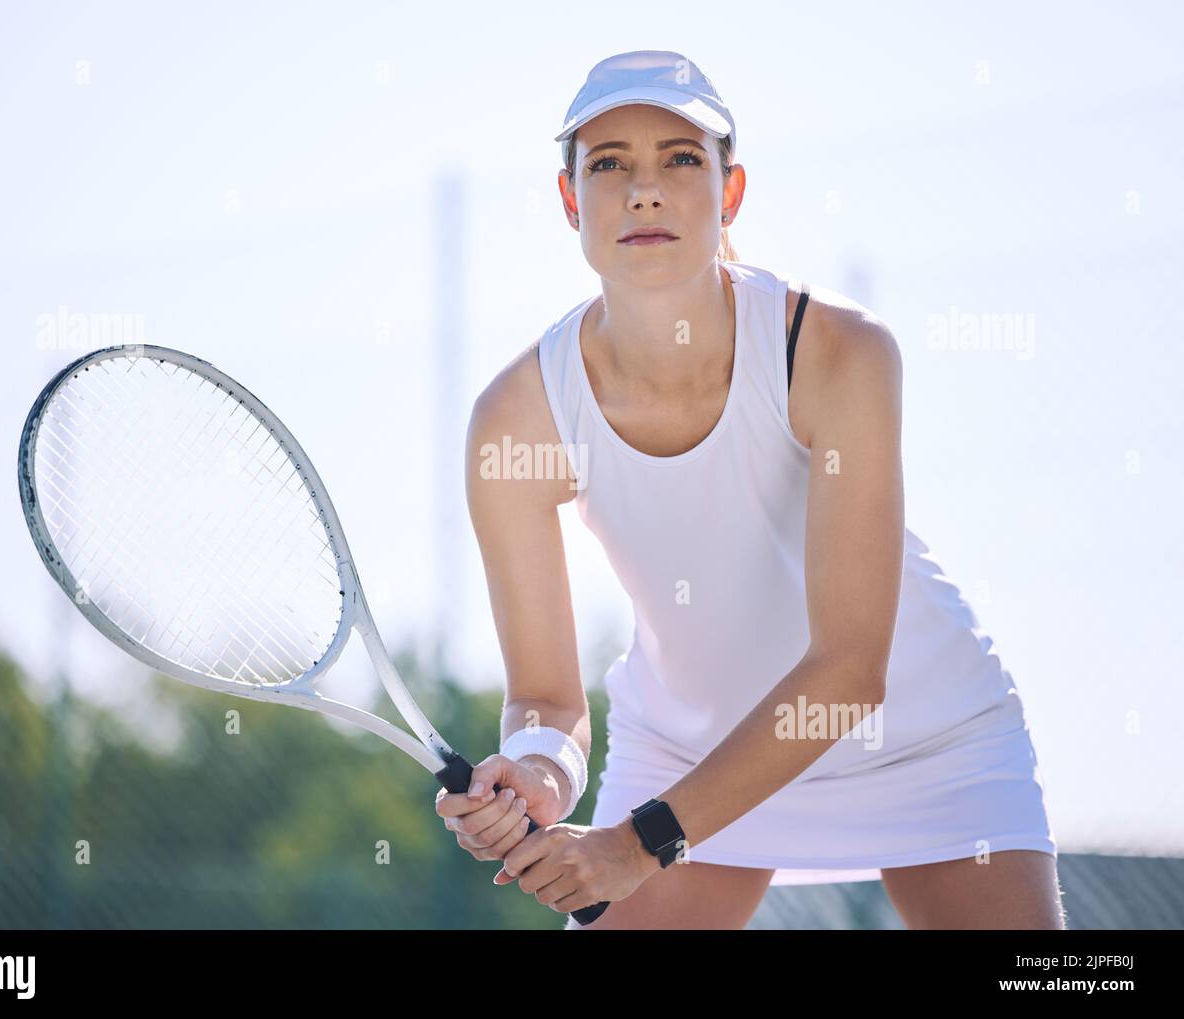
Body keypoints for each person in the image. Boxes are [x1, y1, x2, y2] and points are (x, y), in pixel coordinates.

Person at [435, 49, 1064, 930]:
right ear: (571, 200)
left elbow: (849, 673)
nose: (643, 190)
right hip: (686, 748)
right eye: (608, 163)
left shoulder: (838, 352)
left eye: (681, 159)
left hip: (926, 741)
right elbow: (548, 699)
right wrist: (536, 770)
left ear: (729, 194)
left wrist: (633, 843)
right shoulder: (516, 418)